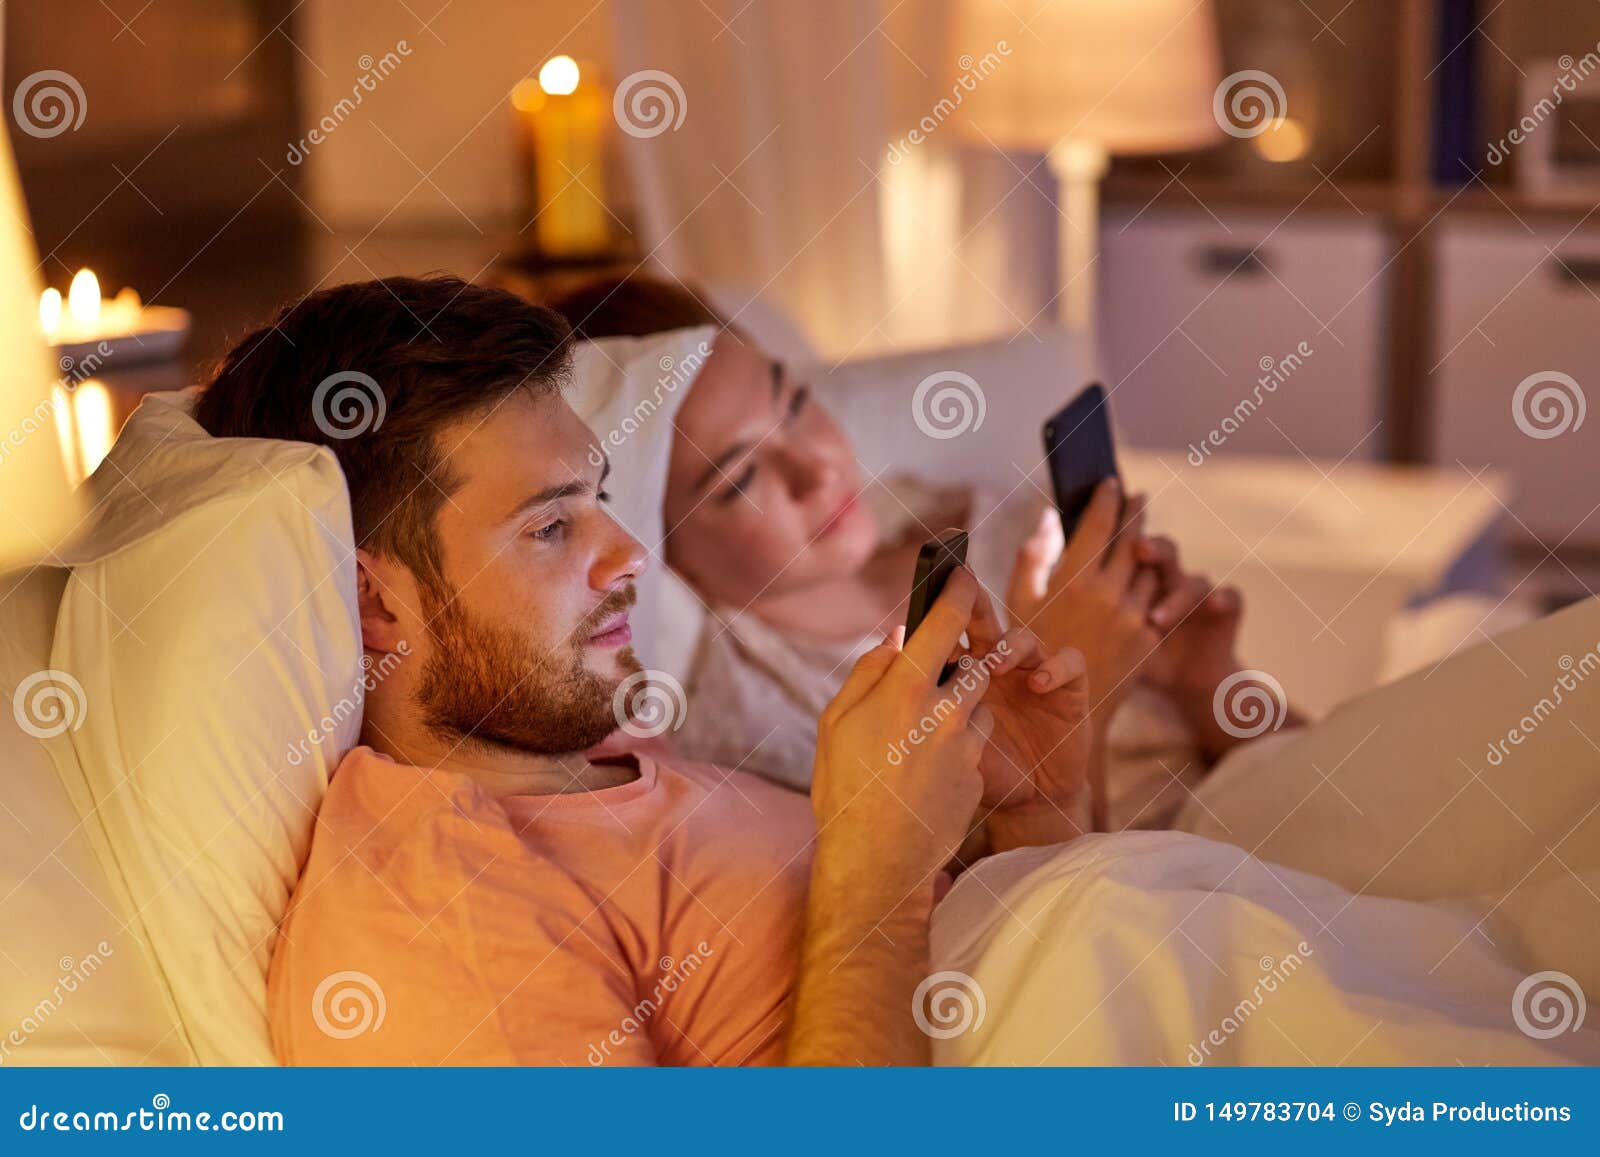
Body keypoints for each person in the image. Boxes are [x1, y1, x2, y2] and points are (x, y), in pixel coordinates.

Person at [197, 275, 1095, 1066]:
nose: (631, 554)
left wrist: (1032, 812)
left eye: (603, 500)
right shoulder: (436, 915)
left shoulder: (622, 759)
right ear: (376, 604)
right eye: (551, 527)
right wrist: (876, 876)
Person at [548, 275, 1287, 829]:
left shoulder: (1000, 515)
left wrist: (1208, 677)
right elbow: (1010, 927)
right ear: (661, 544)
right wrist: (1079, 694)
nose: (817, 469)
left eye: (796, 402)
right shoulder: (747, 728)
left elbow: (1304, 776)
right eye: (740, 478)